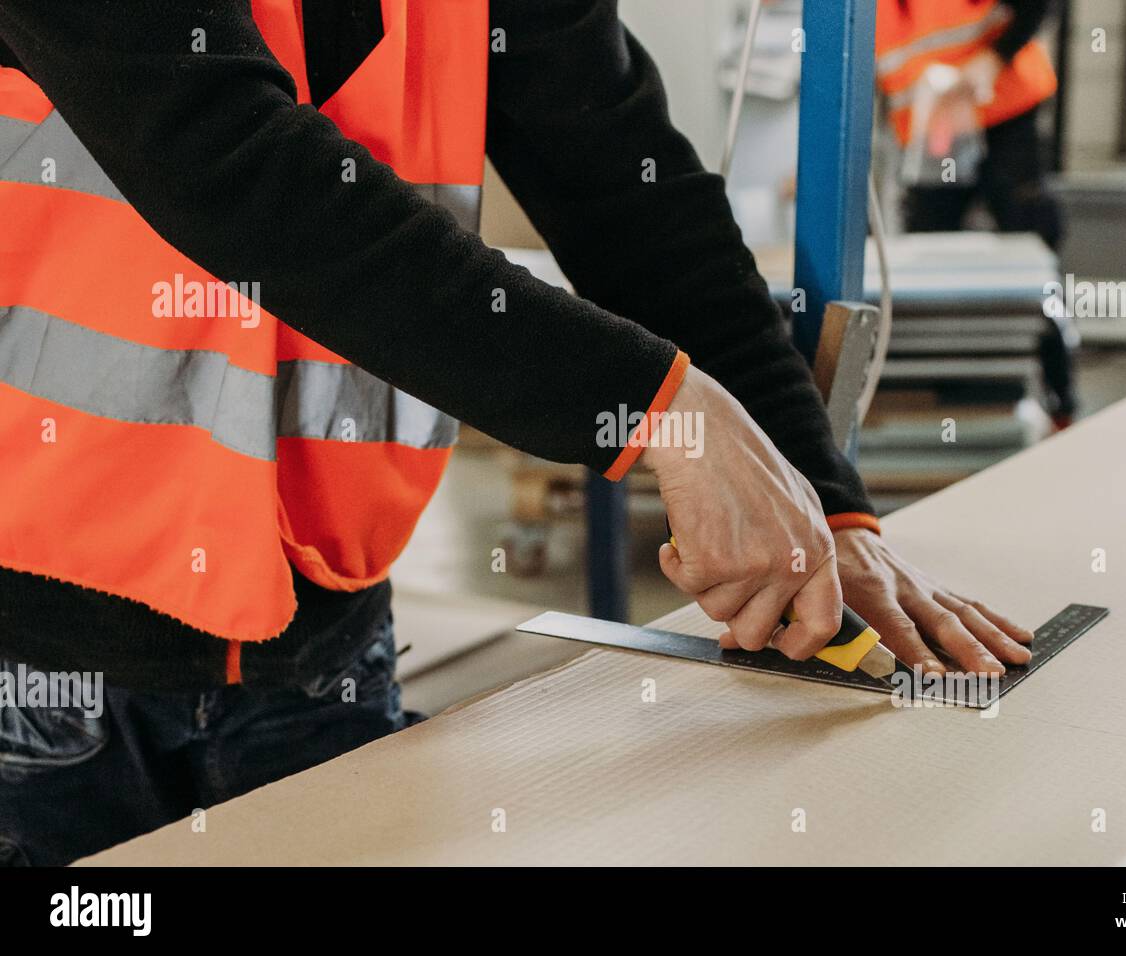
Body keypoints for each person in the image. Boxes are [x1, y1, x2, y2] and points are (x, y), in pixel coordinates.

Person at [0, 0, 1033, 867]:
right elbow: (225, 157)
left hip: (322, 637)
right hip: (38, 656)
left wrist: (821, 496)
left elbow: (628, 193)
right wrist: (661, 408)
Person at [878, 0, 1064, 250]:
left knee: (1023, 217)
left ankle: (1039, 284)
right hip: (931, 132)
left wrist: (995, 57)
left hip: (1003, 110)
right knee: (929, 234)